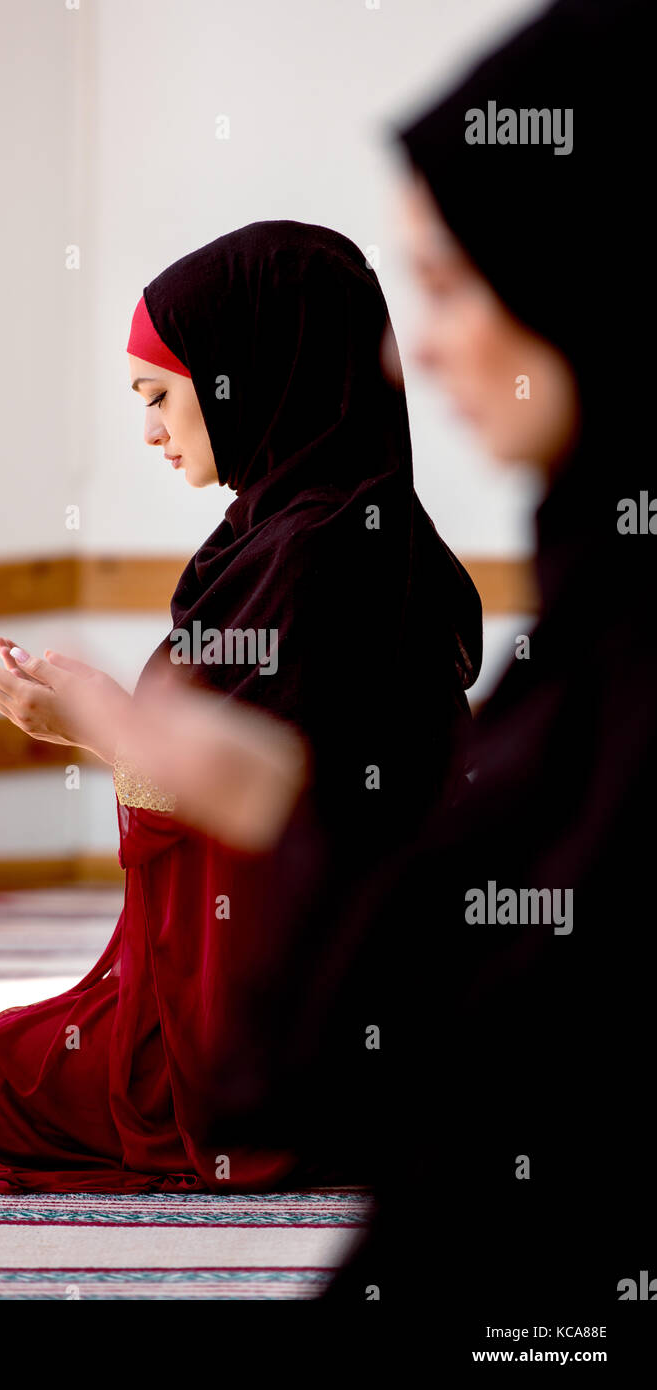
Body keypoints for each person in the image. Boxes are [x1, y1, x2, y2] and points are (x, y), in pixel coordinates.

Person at [190, 0, 654, 1320]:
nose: (413, 350)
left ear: (589, 263)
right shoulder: (596, 578)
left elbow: (518, 1034)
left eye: (451, 282)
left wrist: (280, 808)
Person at [0, 220, 481, 1193]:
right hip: (368, 1009)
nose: (148, 432)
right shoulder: (357, 529)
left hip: (269, 1026)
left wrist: (80, 720)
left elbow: (262, 809)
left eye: (158, 398)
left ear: (247, 371)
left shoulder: (303, 555)